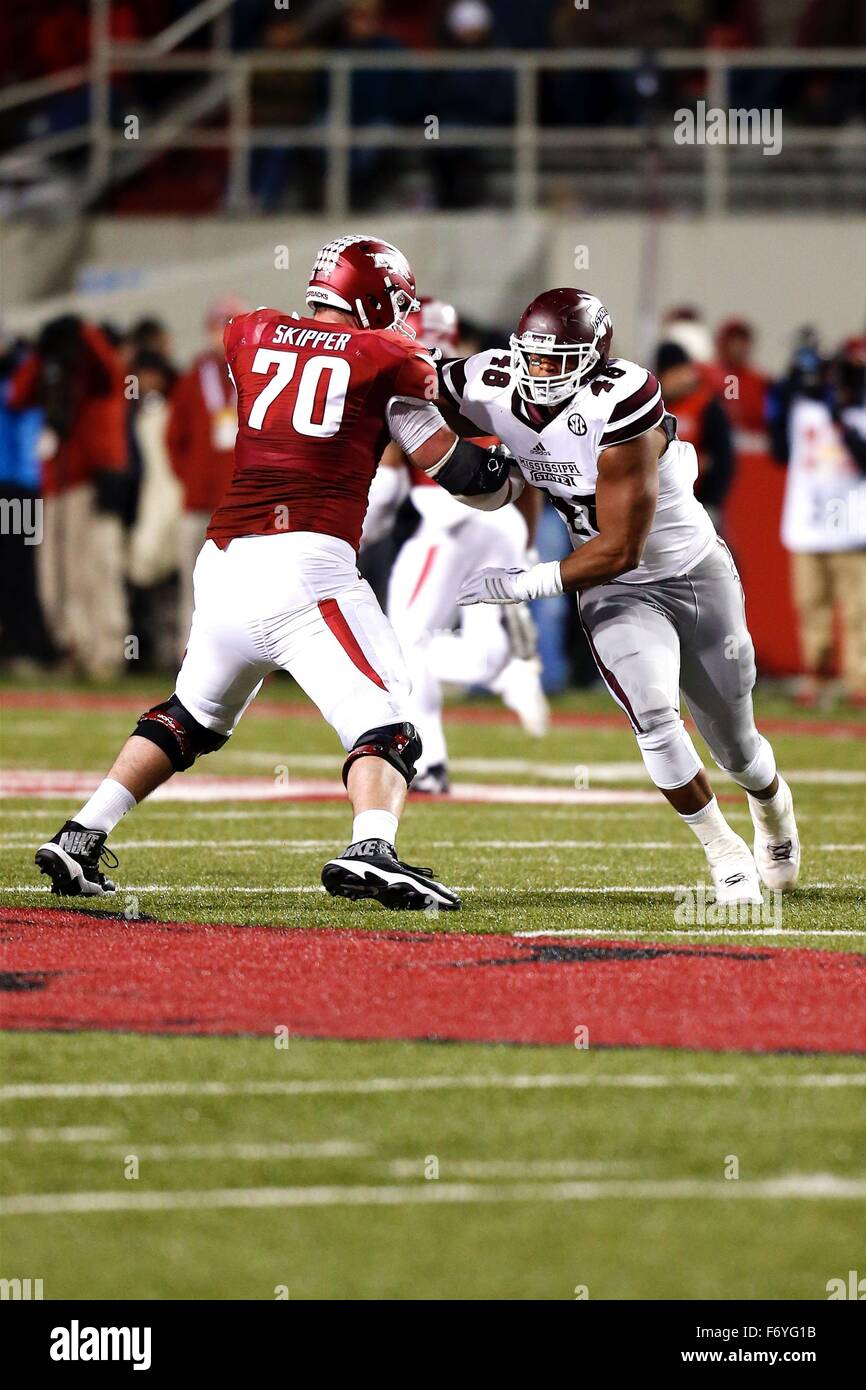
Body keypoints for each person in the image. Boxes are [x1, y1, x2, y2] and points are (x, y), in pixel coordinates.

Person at [34, 235, 520, 912]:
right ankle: (372, 846)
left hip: (226, 561)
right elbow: (466, 477)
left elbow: (311, 369)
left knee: (191, 719)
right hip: (307, 567)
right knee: (388, 726)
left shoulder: (252, 331)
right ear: (376, 296)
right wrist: (514, 464)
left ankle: (82, 833)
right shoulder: (390, 359)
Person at [439, 287, 800, 905]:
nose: (540, 370)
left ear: (594, 357)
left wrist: (521, 582)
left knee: (737, 746)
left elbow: (622, 546)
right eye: (533, 355)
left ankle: (772, 807)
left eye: (558, 358)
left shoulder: (623, 397)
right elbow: (411, 384)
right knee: (655, 717)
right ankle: (721, 848)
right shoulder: (493, 380)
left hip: (687, 573)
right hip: (613, 591)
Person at [362, 296, 548, 792]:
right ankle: (507, 670)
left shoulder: (410, 377)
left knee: (402, 644)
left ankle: (430, 762)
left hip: (450, 522)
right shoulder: (489, 376)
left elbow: (392, 485)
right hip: (503, 519)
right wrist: (524, 542)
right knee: (479, 649)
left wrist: (357, 534)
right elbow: (526, 474)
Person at [776, 336, 866, 707]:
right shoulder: (803, 410)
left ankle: (859, 682)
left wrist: (840, 419)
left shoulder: (856, 414)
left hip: (853, 528)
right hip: (810, 526)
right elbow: (777, 446)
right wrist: (794, 375)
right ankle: (816, 676)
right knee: (812, 607)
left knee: (859, 611)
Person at [167, 297, 245, 655]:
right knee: (194, 585)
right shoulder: (195, 376)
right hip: (199, 501)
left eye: (230, 325)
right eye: (218, 327)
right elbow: (173, 438)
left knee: (242, 585)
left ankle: (245, 659)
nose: (223, 335)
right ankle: (190, 655)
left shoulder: (257, 372)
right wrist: (193, 479)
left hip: (242, 506)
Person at [655, 340, 734, 530]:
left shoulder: (706, 405)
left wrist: (713, 500)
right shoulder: (654, 408)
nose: (684, 378)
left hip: (700, 501)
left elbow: (723, 457)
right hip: (661, 505)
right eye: (676, 373)